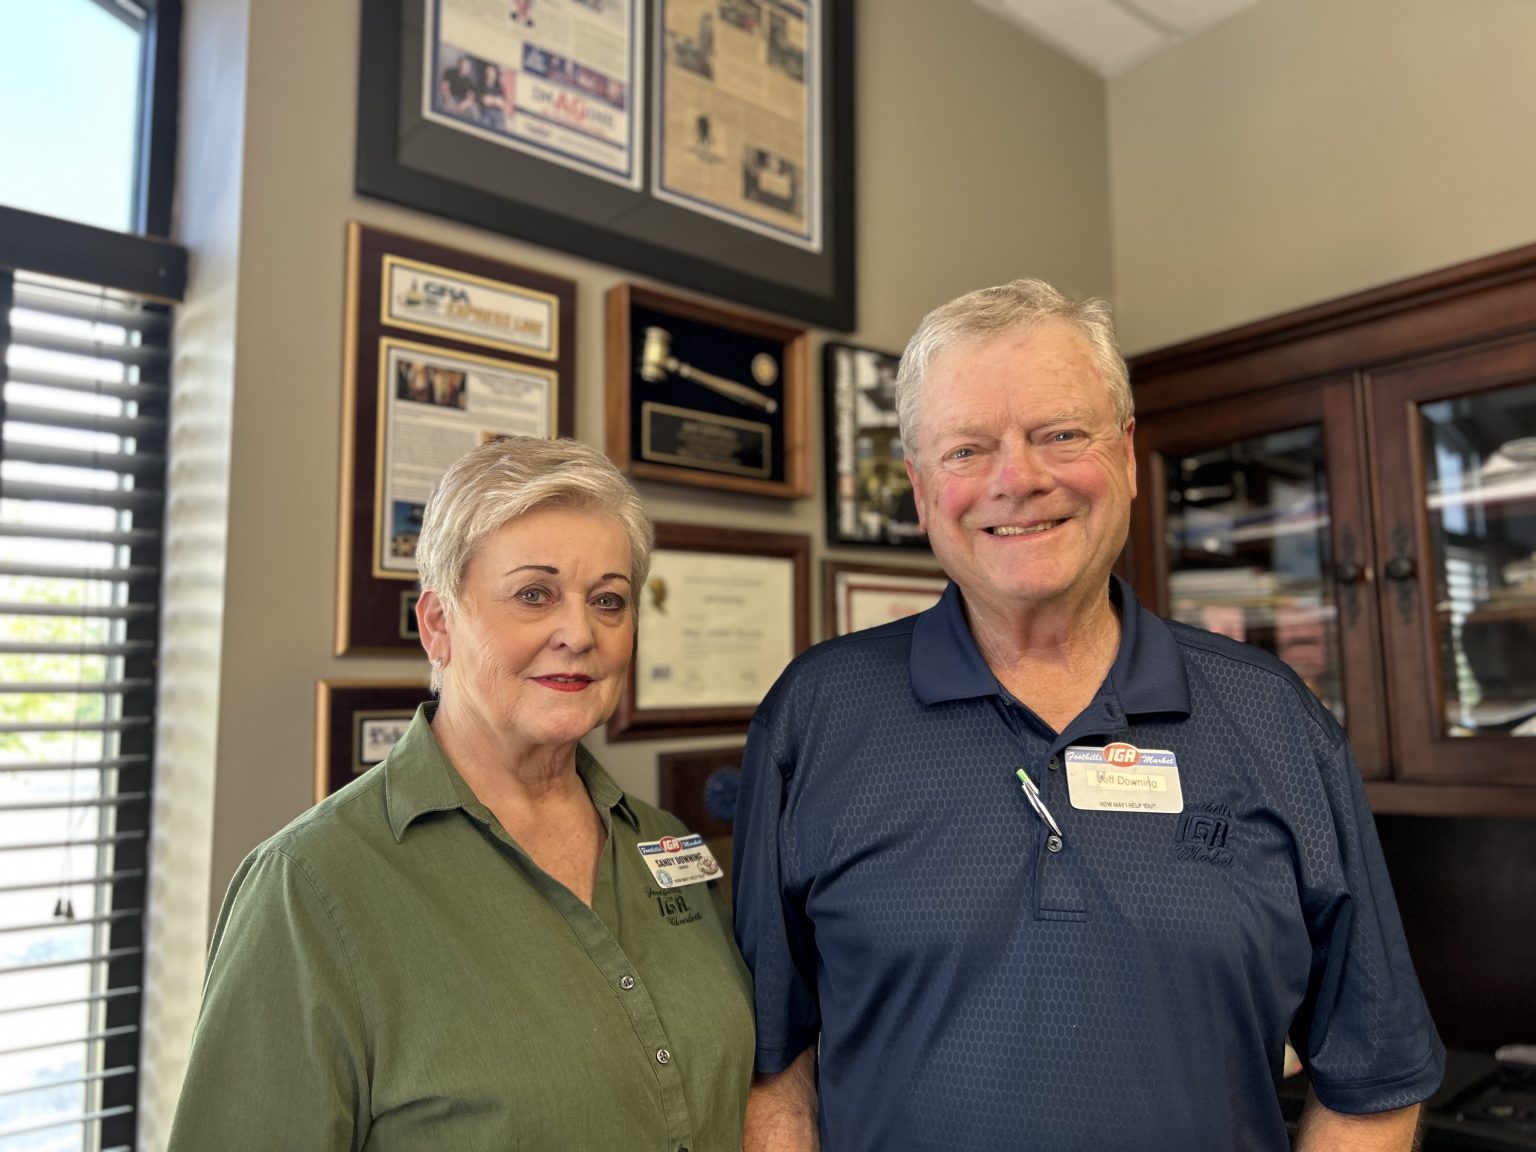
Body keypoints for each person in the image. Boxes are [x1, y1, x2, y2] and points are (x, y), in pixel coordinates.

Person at [732, 280, 1444, 1152]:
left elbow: (1373, 1078)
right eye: (967, 450)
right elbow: (774, 1069)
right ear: (920, 491)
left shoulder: (1275, 720)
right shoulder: (813, 718)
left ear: (1127, 454)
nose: (1018, 479)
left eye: (1060, 433)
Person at [168, 436, 754, 1150]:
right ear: (438, 624)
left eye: (609, 600)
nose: (579, 633)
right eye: (533, 595)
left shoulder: (667, 842)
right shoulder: (309, 887)